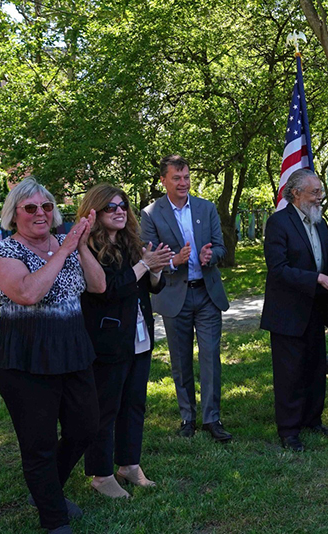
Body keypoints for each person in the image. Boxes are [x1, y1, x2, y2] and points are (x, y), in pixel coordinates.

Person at [0, 177, 106, 534]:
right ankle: (54, 519)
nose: (40, 213)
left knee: (85, 427)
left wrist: (80, 245)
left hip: (72, 349)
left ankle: (45, 491)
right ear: (15, 214)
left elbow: (99, 285)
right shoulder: (4, 253)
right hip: (26, 355)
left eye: (47, 206)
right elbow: (27, 293)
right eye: (30, 208)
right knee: (38, 443)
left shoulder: (65, 243)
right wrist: (65, 249)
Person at [78, 185, 172, 498]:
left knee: (134, 403)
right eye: (110, 207)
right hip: (107, 339)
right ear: (95, 212)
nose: (119, 211)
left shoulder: (132, 241)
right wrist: (145, 265)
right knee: (106, 408)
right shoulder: (88, 247)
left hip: (139, 335)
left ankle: (129, 464)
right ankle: (101, 474)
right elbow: (108, 289)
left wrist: (155, 269)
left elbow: (151, 286)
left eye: (123, 205)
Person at [140, 155, 232, 442]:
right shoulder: (151, 213)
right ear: (163, 180)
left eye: (187, 177)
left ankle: (211, 418)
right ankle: (186, 417)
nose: (183, 182)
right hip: (172, 294)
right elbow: (149, 258)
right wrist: (174, 262)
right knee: (180, 361)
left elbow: (221, 247)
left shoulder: (206, 207)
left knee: (210, 357)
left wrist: (210, 255)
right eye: (177, 178)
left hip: (206, 293)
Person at [261, 169, 328, 451]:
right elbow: (278, 269)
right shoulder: (278, 223)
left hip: (316, 308)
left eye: (320, 191)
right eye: (315, 192)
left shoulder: (320, 223)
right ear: (296, 194)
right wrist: (317, 279)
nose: (320, 197)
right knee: (290, 373)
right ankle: (289, 430)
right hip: (287, 311)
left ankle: (313, 420)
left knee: (314, 367)